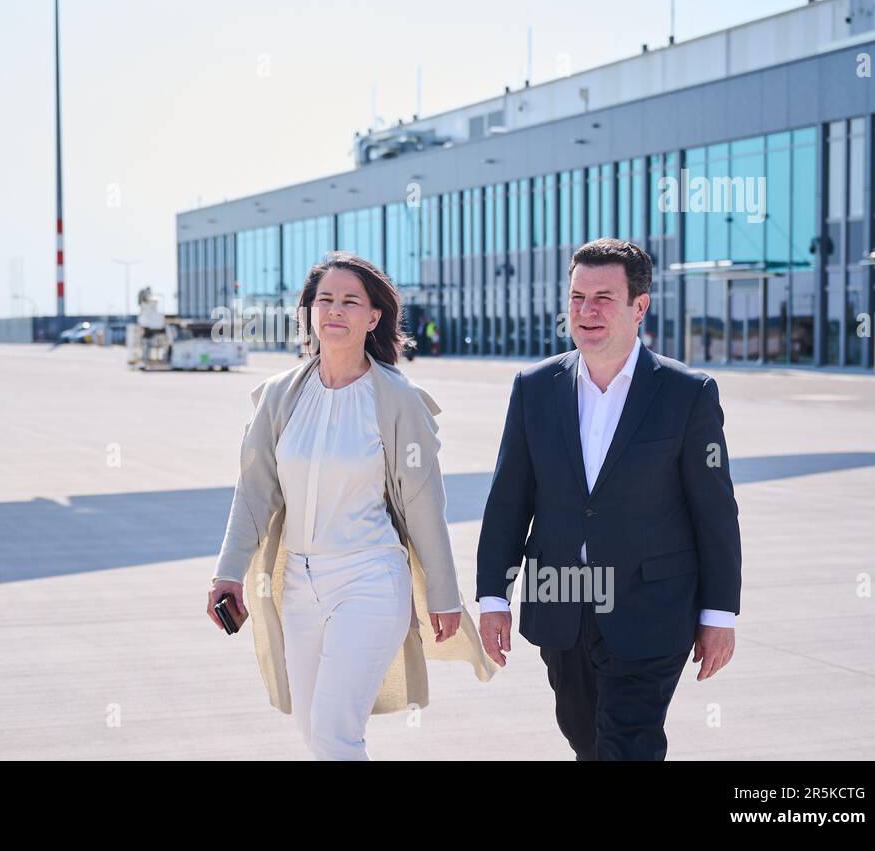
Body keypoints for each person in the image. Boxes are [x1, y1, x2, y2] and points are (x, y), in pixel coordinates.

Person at [208, 252, 496, 760]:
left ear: (373, 317)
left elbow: (425, 504)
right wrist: (227, 574)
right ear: (309, 312)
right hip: (298, 587)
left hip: (370, 580)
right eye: (325, 300)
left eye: (349, 302)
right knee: (311, 728)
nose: (334, 311)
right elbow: (254, 492)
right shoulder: (279, 397)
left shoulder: (398, 401)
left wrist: (444, 595)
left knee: (335, 733)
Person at [475, 238, 741, 761]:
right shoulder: (534, 387)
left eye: (603, 297)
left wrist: (719, 615)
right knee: (586, 739)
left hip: (651, 609)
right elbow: (509, 499)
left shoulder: (687, 393)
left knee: (628, 744)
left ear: (639, 306)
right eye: (576, 297)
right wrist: (493, 598)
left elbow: (715, 512)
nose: (585, 311)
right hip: (561, 605)